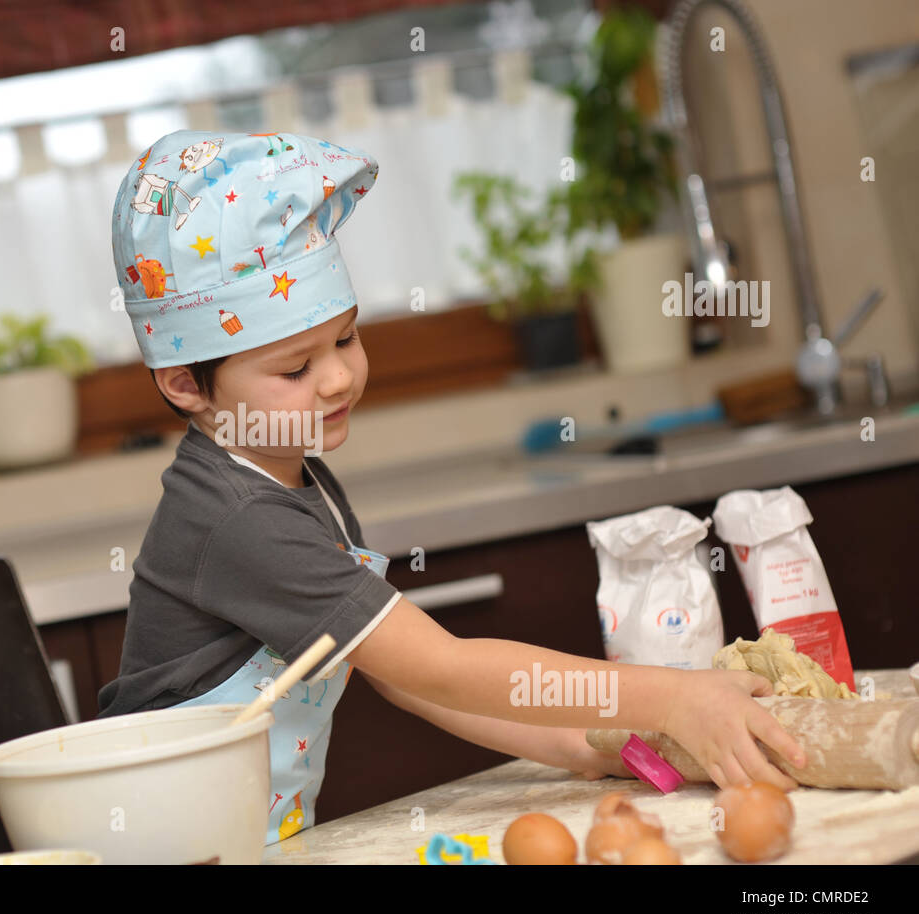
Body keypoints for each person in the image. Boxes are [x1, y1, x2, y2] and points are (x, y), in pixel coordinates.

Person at [99, 129, 805, 846]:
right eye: (295, 367)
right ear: (187, 383)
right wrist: (674, 699)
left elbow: (403, 677)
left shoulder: (291, 473)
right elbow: (442, 663)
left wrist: (576, 742)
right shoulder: (240, 517)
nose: (339, 377)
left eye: (345, 340)